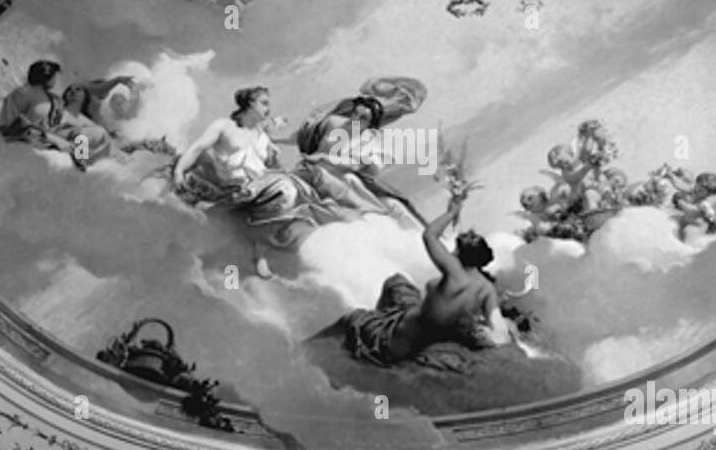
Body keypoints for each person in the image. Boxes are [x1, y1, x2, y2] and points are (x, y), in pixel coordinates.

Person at [173, 86, 348, 278]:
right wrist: (179, 171)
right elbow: (198, 148)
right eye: (264, 103)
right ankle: (251, 247)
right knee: (285, 186)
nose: (268, 108)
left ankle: (261, 254)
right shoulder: (223, 126)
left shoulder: (259, 132)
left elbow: (266, 146)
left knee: (299, 189)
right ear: (249, 103)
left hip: (260, 186)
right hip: (235, 188)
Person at [339, 189, 513, 365]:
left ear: (460, 255)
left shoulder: (456, 272)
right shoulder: (486, 288)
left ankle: (377, 322)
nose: (450, 252)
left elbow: (429, 234)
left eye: (455, 250)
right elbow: (501, 333)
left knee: (355, 319)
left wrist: (451, 212)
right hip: (421, 326)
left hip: (398, 337)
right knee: (396, 282)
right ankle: (383, 314)